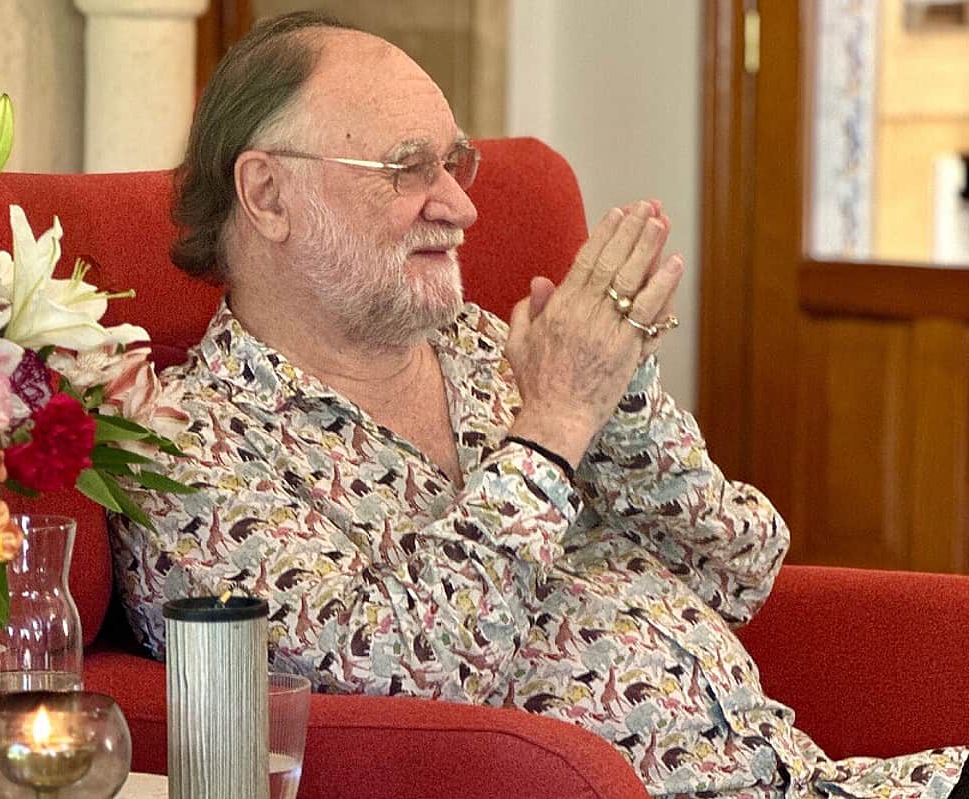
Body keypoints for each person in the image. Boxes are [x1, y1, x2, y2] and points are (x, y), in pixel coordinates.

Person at [110, 11, 969, 798]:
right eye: (409, 167)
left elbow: (739, 568)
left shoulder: (498, 351)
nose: (461, 204)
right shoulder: (183, 451)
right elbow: (404, 687)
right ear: (266, 195)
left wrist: (619, 393)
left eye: (455, 162)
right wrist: (553, 426)